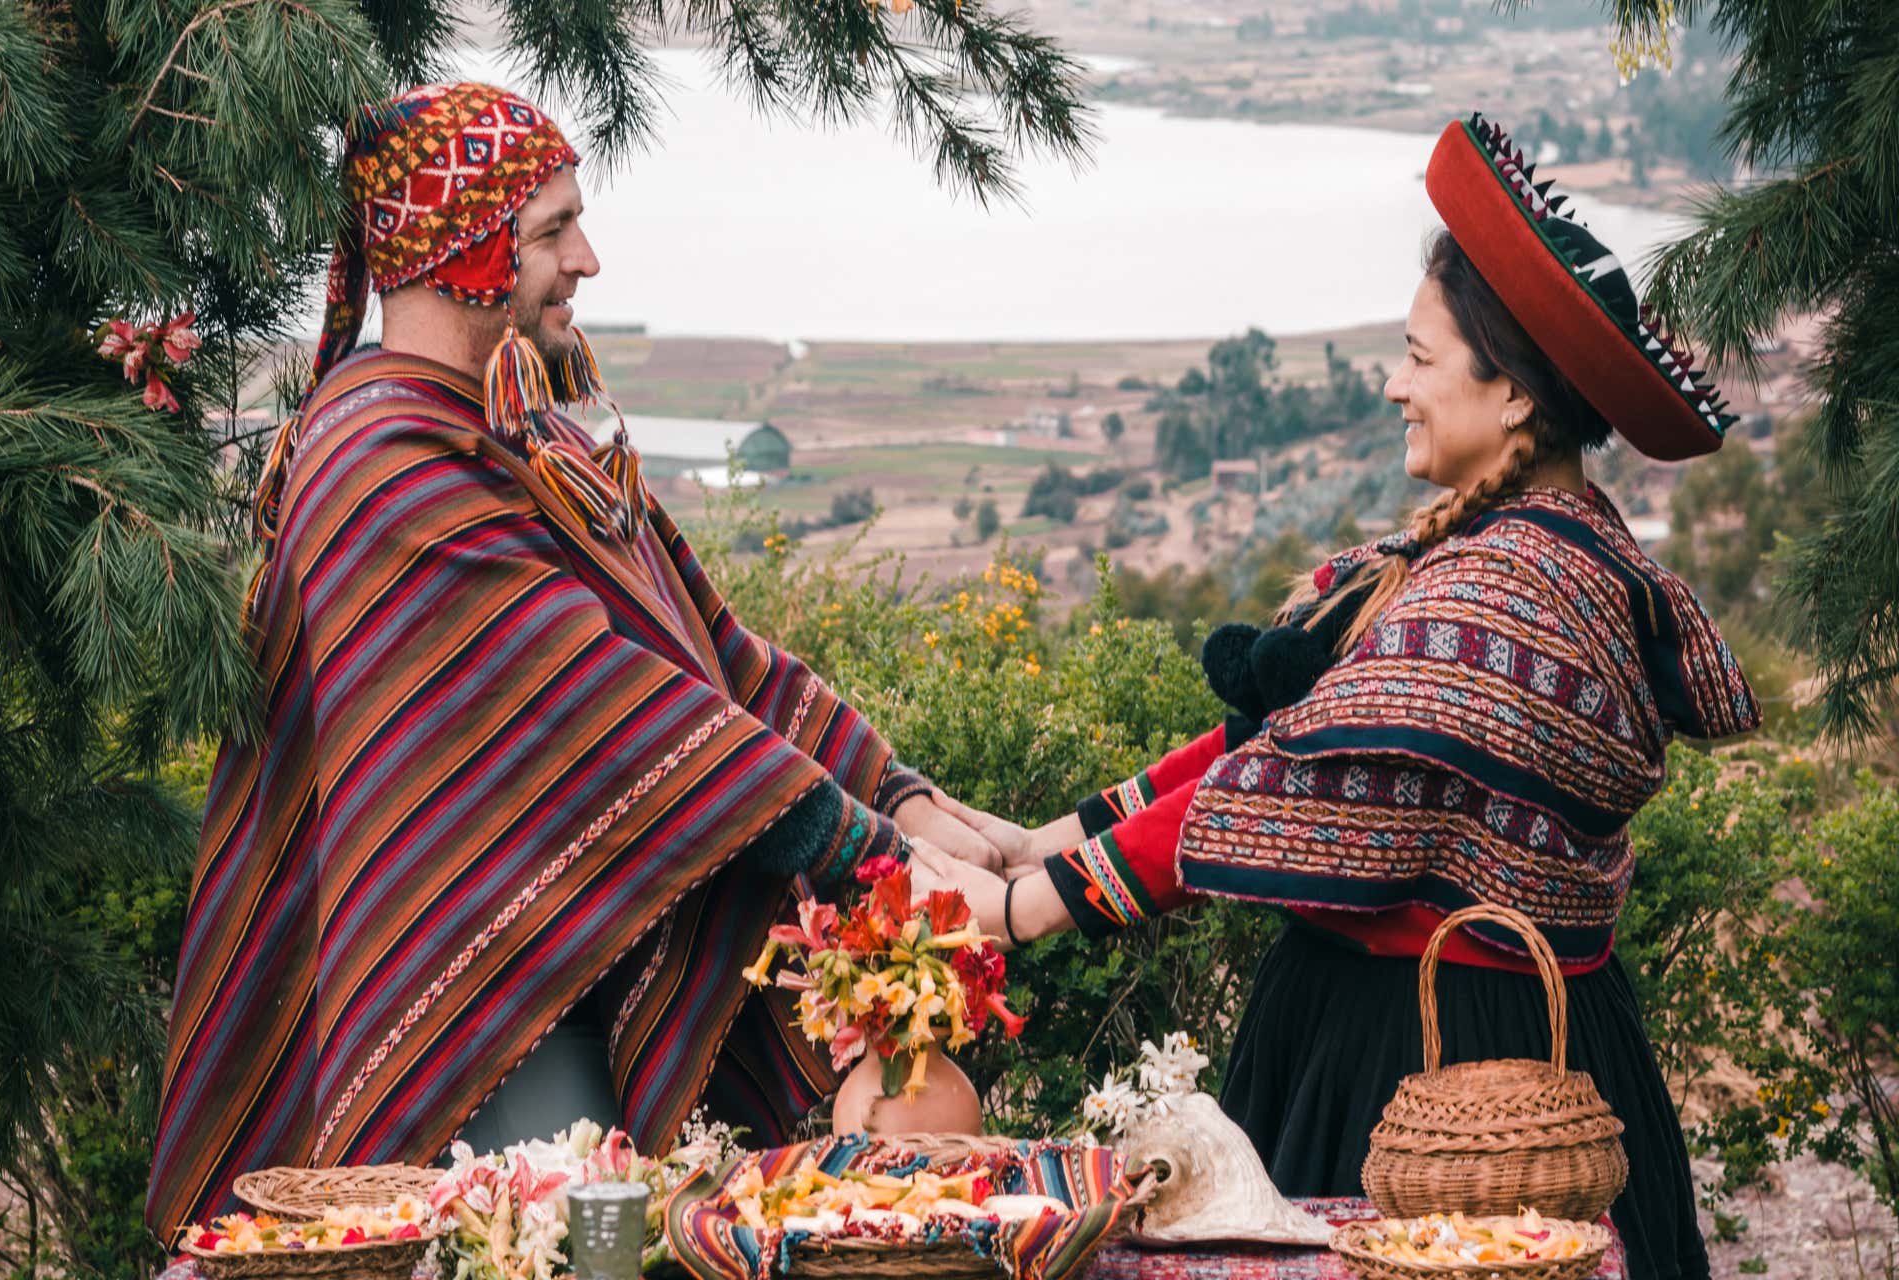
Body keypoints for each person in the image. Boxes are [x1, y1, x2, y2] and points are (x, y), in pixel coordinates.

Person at [912, 113, 1758, 1280]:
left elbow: (1306, 772)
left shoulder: (1502, 593)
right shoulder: (1507, 553)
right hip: (1450, 1031)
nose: (1394, 383)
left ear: (1511, 395)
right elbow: (1287, 732)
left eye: (1418, 355)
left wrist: (1026, 907)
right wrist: (1043, 841)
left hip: (1439, 1069)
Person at [144, 82, 993, 1239]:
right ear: (459, 251)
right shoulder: (379, 460)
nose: (586, 259)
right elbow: (609, 705)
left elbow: (711, 652)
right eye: (550, 230)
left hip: (582, 971)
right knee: (580, 1248)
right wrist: (865, 852)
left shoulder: (528, 433)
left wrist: (909, 796)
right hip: (485, 1020)